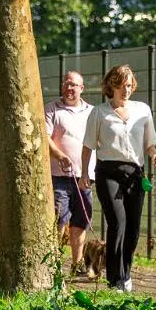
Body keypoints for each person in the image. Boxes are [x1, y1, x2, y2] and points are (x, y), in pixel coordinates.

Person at [82, 64, 156, 292]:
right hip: (108, 172)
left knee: (133, 228)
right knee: (117, 223)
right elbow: (88, 146)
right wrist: (84, 174)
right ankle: (114, 279)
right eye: (121, 86)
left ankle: (126, 274)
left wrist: (155, 155)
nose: (126, 90)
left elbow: (149, 143)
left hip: (135, 173)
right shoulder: (99, 112)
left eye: (129, 85)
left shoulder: (142, 110)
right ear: (111, 86)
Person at [46, 71, 95, 274]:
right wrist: (59, 155)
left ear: (81, 88)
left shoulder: (92, 111)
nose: (69, 88)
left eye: (73, 85)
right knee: (58, 220)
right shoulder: (52, 108)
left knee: (81, 221)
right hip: (59, 176)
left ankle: (77, 264)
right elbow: (45, 137)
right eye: (66, 83)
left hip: (84, 177)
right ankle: (54, 265)